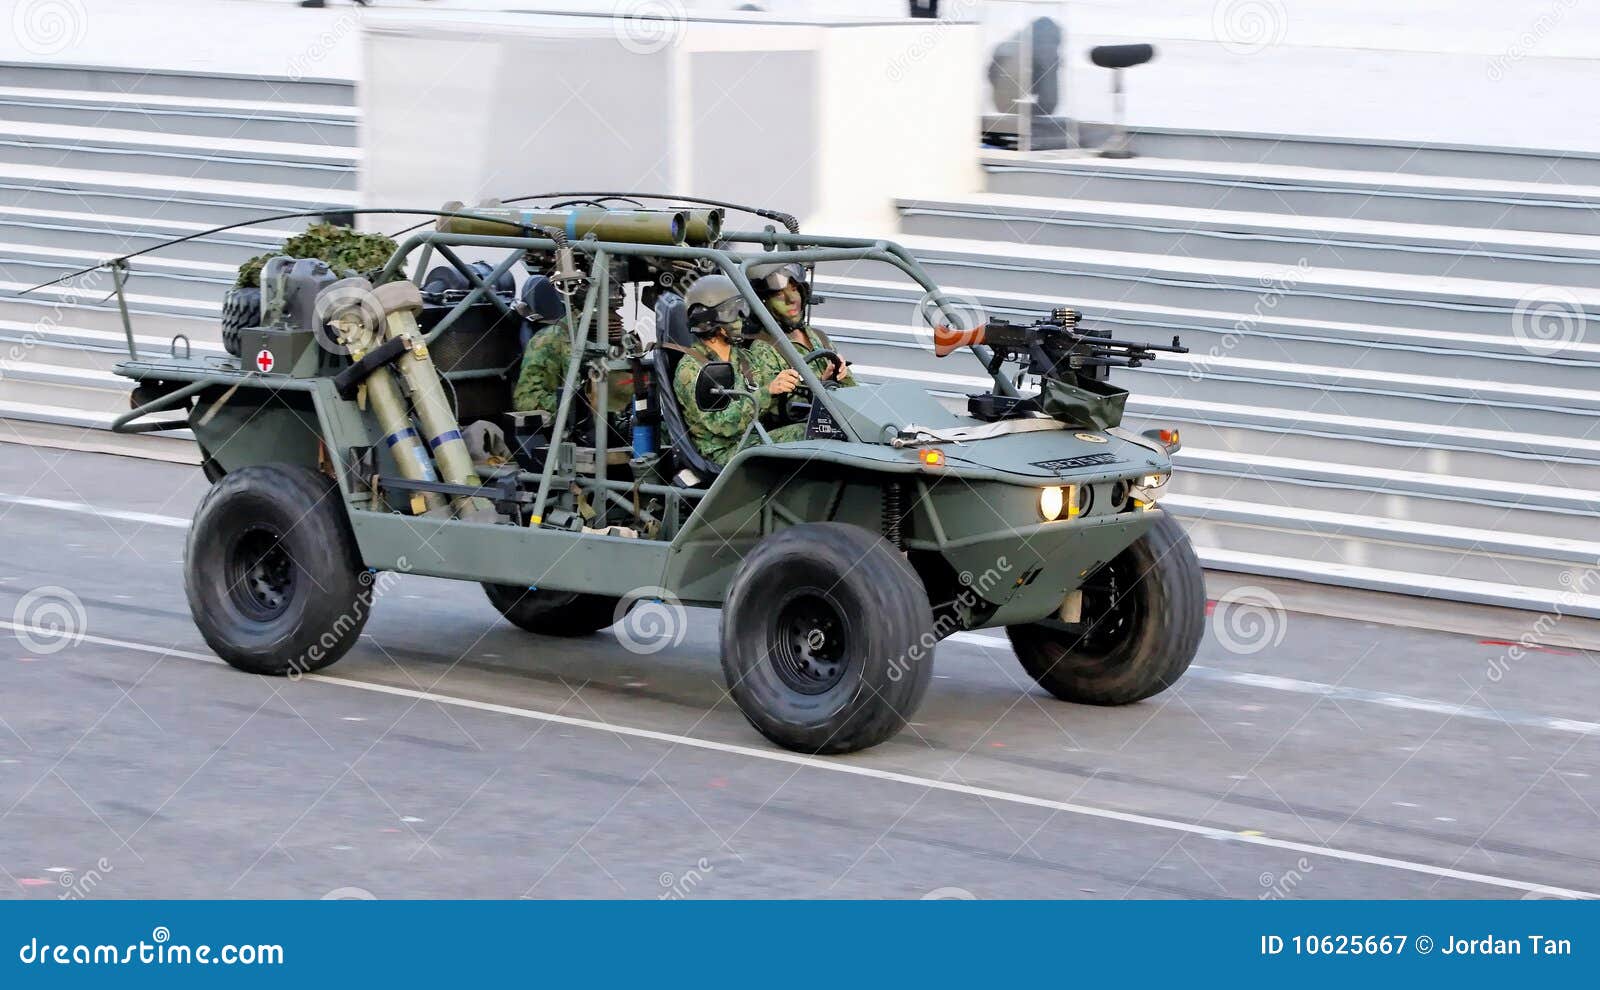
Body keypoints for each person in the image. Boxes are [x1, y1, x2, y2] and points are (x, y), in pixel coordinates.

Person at [673, 275, 806, 467]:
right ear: (708, 320)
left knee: (817, 428)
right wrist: (768, 392)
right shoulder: (692, 368)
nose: (741, 320)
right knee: (806, 435)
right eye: (732, 313)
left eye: (740, 311)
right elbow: (723, 425)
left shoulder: (744, 358)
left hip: (752, 439)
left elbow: (774, 405)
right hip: (724, 453)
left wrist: (801, 387)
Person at [743, 261, 856, 388]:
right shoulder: (762, 347)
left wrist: (837, 375)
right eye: (779, 294)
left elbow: (852, 391)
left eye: (794, 289)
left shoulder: (818, 337)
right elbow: (769, 403)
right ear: (763, 303)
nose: (791, 299)